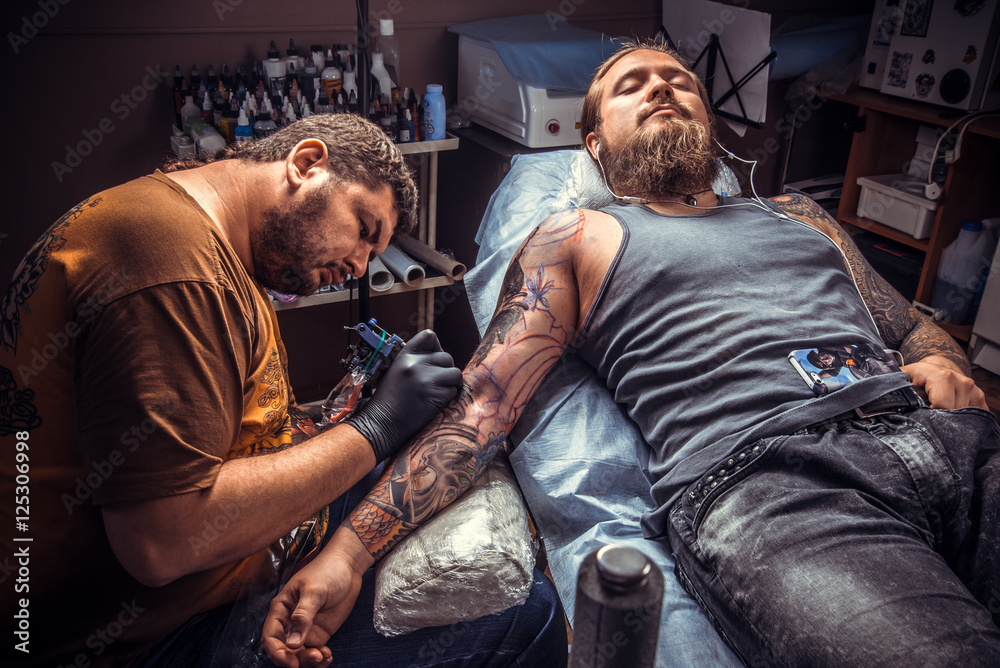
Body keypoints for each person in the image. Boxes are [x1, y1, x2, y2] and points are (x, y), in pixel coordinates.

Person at [260, 41, 999, 668]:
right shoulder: (575, 236)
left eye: (679, 80)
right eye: (630, 85)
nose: (660, 87)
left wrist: (946, 362)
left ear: (708, 120)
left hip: (945, 440)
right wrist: (346, 557)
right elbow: (483, 407)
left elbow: (913, 328)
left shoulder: (799, 215)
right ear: (595, 145)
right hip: (781, 484)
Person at [0, 114, 565, 667]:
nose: (359, 265)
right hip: (147, 635)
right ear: (307, 163)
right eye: (364, 230)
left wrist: (351, 421)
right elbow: (162, 542)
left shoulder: (203, 239)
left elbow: (235, 435)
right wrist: (375, 427)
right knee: (528, 613)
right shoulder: (173, 266)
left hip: (219, 565)